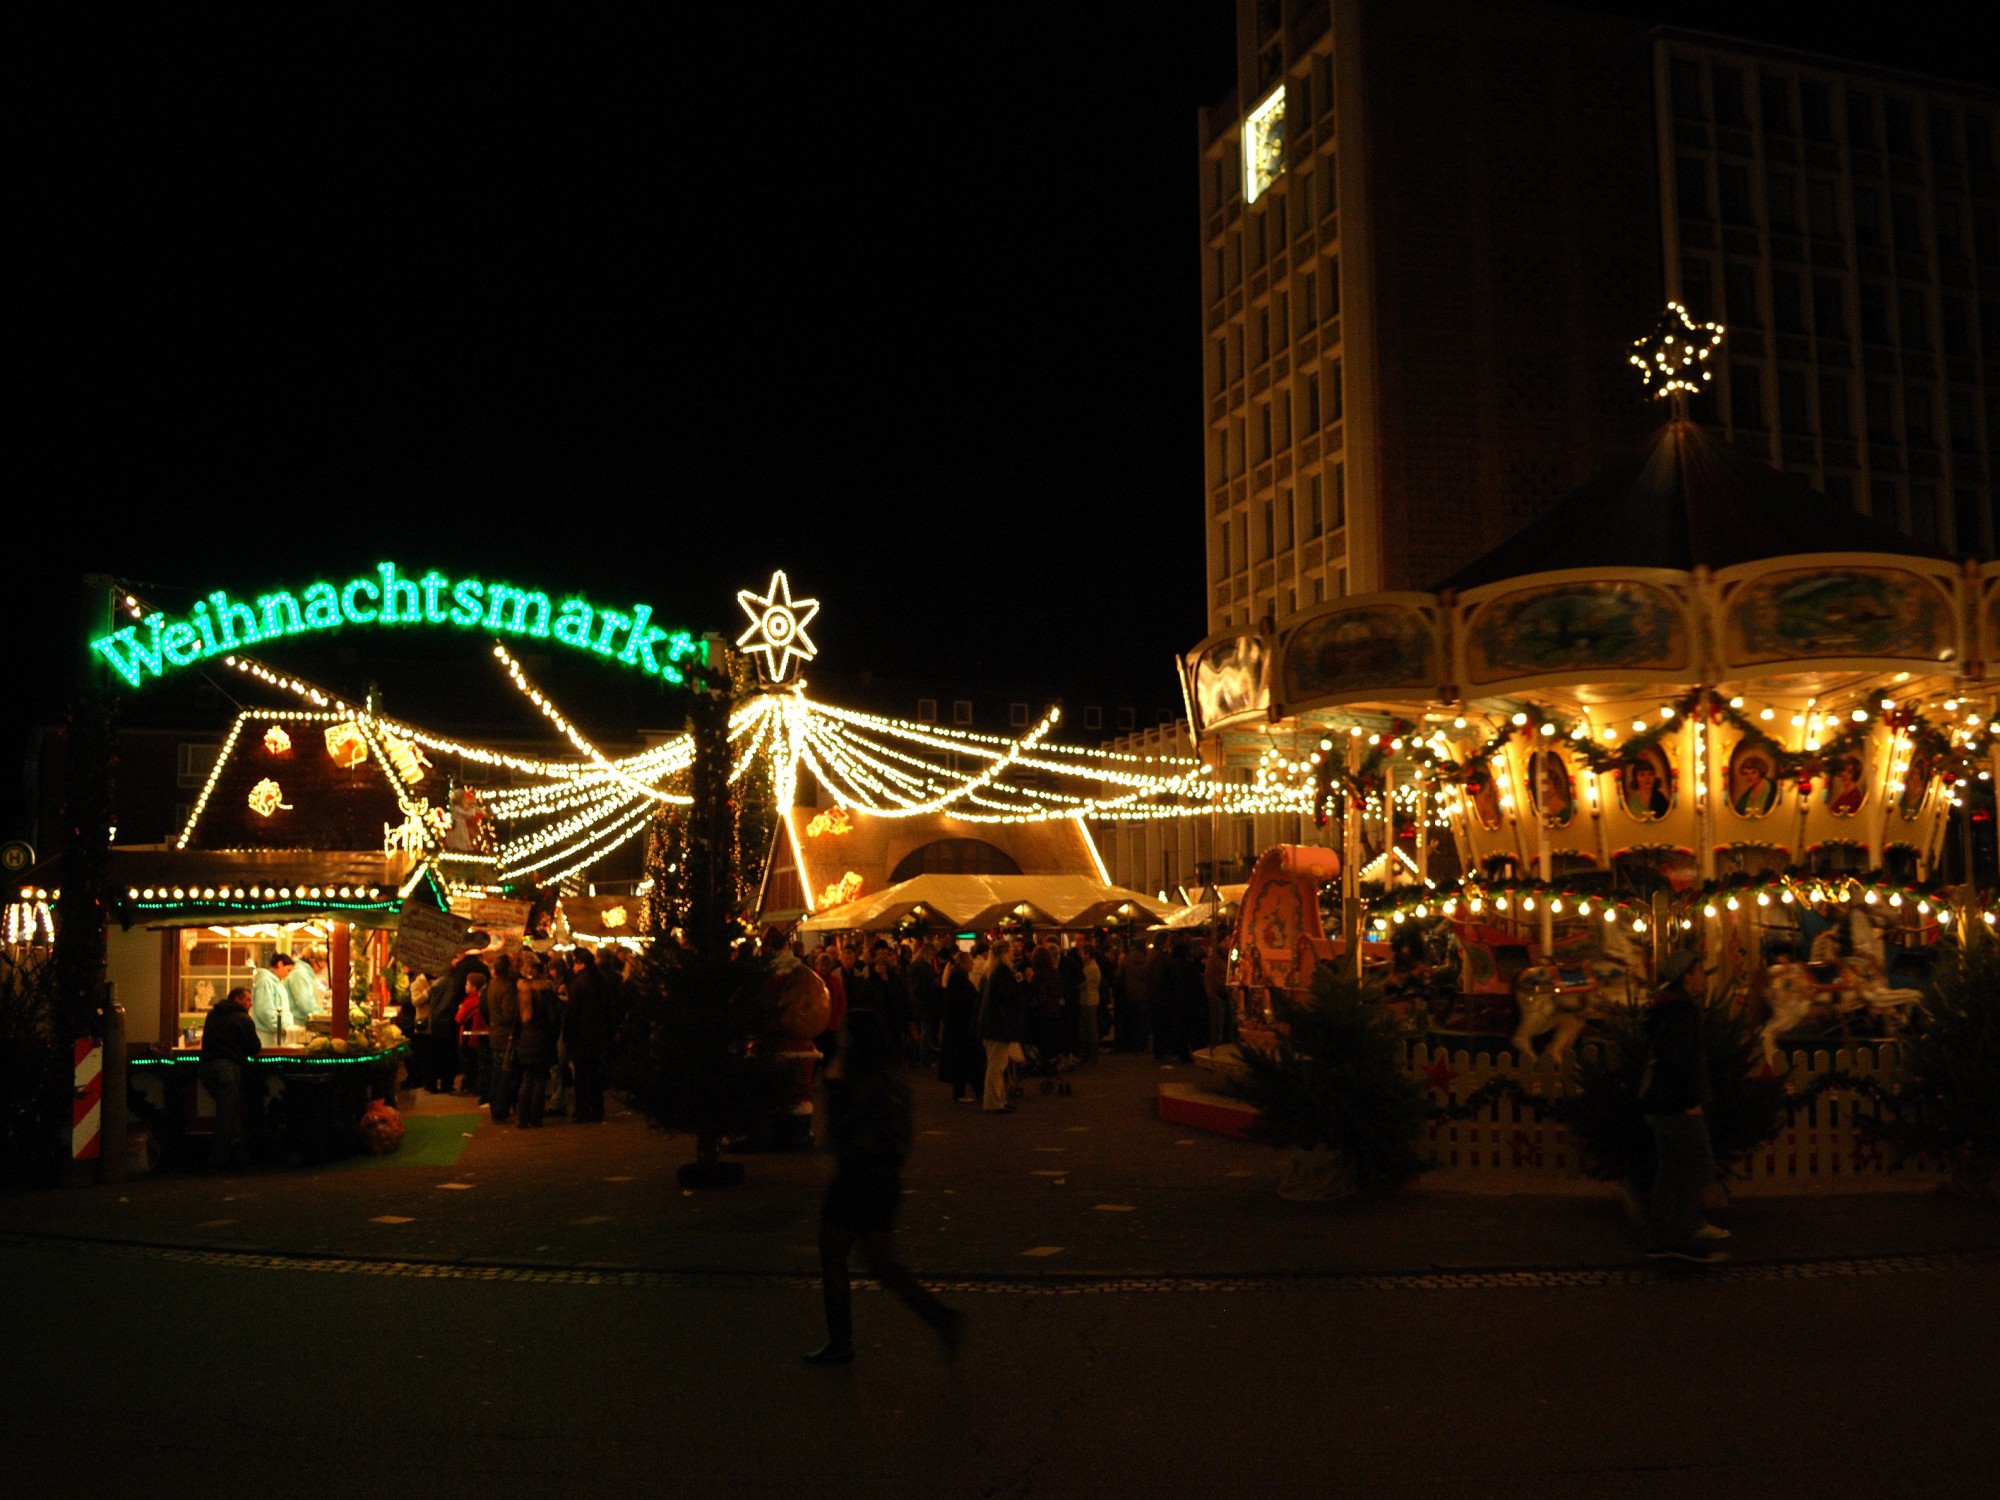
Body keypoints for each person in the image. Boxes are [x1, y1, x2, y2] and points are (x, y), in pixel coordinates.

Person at [805, 1010, 964, 1365]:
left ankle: (840, 1341)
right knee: (881, 1261)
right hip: (884, 1177)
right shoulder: (893, 1075)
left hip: (856, 1175)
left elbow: (843, 1124)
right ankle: (939, 1317)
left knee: (833, 1256)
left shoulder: (858, 1078)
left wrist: (833, 1084)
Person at [1639, 950, 1728, 1264]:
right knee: (1688, 1166)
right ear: (1686, 978)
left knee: (1671, 1169)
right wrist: (1690, 1102)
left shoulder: (1668, 1009)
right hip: (1673, 1103)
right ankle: (1684, 1234)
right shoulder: (1680, 1012)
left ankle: (1662, 1238)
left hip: (1662, 1101)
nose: (1703, 978)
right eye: (1699, 972)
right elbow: (1678, 1060)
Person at [198, 984, 261, 1170]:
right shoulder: (243, 1018)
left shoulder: (212, 1015)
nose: (250, 1003)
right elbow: (254, 1047)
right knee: (226, 1115)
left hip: (207, 1068)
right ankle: (219, 1159)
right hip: (228, 1070)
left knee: (228, 1111)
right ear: (238, 1000)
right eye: (248, 999)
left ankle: (237, 1151)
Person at [563, 948, 611, 1123]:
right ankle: (597, 1109)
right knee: (594, 1074)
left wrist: (567, 1035)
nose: (573, 966)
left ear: (581, 964)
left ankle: (582, 1110)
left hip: (581, 1035)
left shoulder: (579, 983)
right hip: (597, 1034)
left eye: (575, 962)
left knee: (581, 1076)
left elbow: (571, 1012)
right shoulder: (601, 981)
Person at [976, 939, 1024, 1113]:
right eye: (1010, 950)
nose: (1013, 953)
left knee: (996, 1064)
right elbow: (1008, 1000)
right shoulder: (1003, 973)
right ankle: (993, 1102)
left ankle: (998, 1100)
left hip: (989, 1026)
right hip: (997, 1027)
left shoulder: (989, 973)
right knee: (997, 1066)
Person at [513, 953, 560, 1127]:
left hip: (526, 1042)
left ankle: (521, 1118)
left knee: (526, 1080)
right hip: (543, 1042)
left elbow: (516, 1021)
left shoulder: (522, 993)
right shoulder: (546, 994)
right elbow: (554, 1019)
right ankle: (535, 1117)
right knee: (540, 1080)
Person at [936, 947, 984, 1101]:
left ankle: (971, 1091)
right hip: (961, 1028)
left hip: (958, 1027)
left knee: (964, 1061)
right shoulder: (960, 980)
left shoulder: (957, 978)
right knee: (965, 1060)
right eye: (970, 962)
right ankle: (966, 1092)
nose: (972, 965)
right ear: (963, 964)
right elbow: (964, 1004)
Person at [485, 953, 521, 1122]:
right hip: (505, 1036)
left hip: (495, 1034)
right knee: (505, 1076)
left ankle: (496, 1108)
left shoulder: (492, 984)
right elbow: (509, 1015)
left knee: (497, 1073)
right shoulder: (507, 987)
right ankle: (500, 1109)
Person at [249, 952, 297, 1049]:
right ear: (279, 964)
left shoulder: (276, 983)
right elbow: (265, 1010)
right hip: (267, 1037)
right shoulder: (265, 982)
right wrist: (280, 1028)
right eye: (288, 970)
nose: (288, 974)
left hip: (276, 1035)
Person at [284, 949, 323, 1030]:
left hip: (301, 1024)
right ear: (312, 960)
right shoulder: (299, 975)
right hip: (298, 1025)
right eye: (320, 967)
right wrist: (321, 1013)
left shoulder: (304, 974)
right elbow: (305, 1003)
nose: (320, 971)